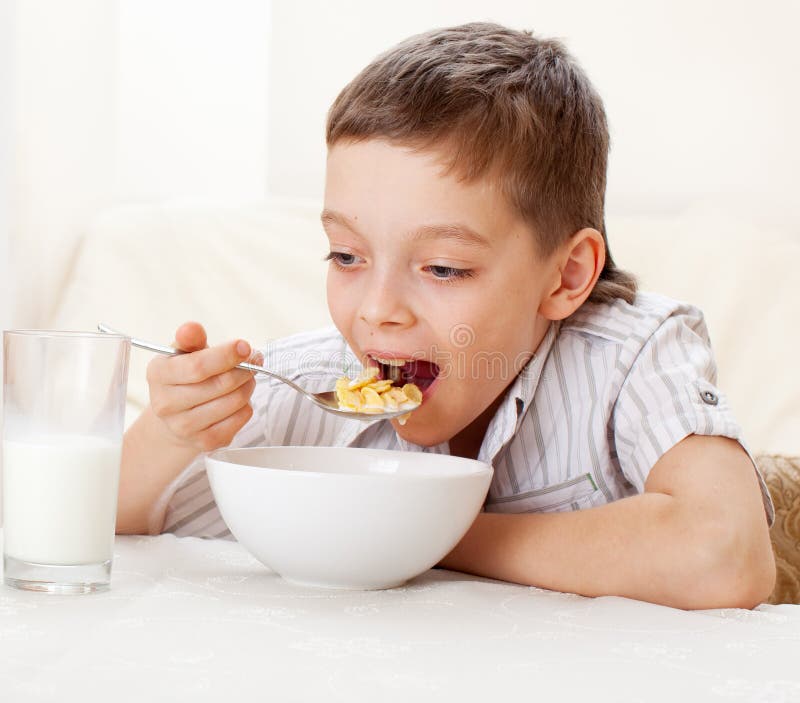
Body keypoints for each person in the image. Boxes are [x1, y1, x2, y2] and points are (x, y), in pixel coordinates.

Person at [116, 22, 775, 609]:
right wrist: (167, 431)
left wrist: (425, 532)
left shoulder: (633, 353)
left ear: (567, 274)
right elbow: (111, 517)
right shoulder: (308, 380)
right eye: (347, 255)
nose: (377, 311)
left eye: (442, 268)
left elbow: (724, 556)